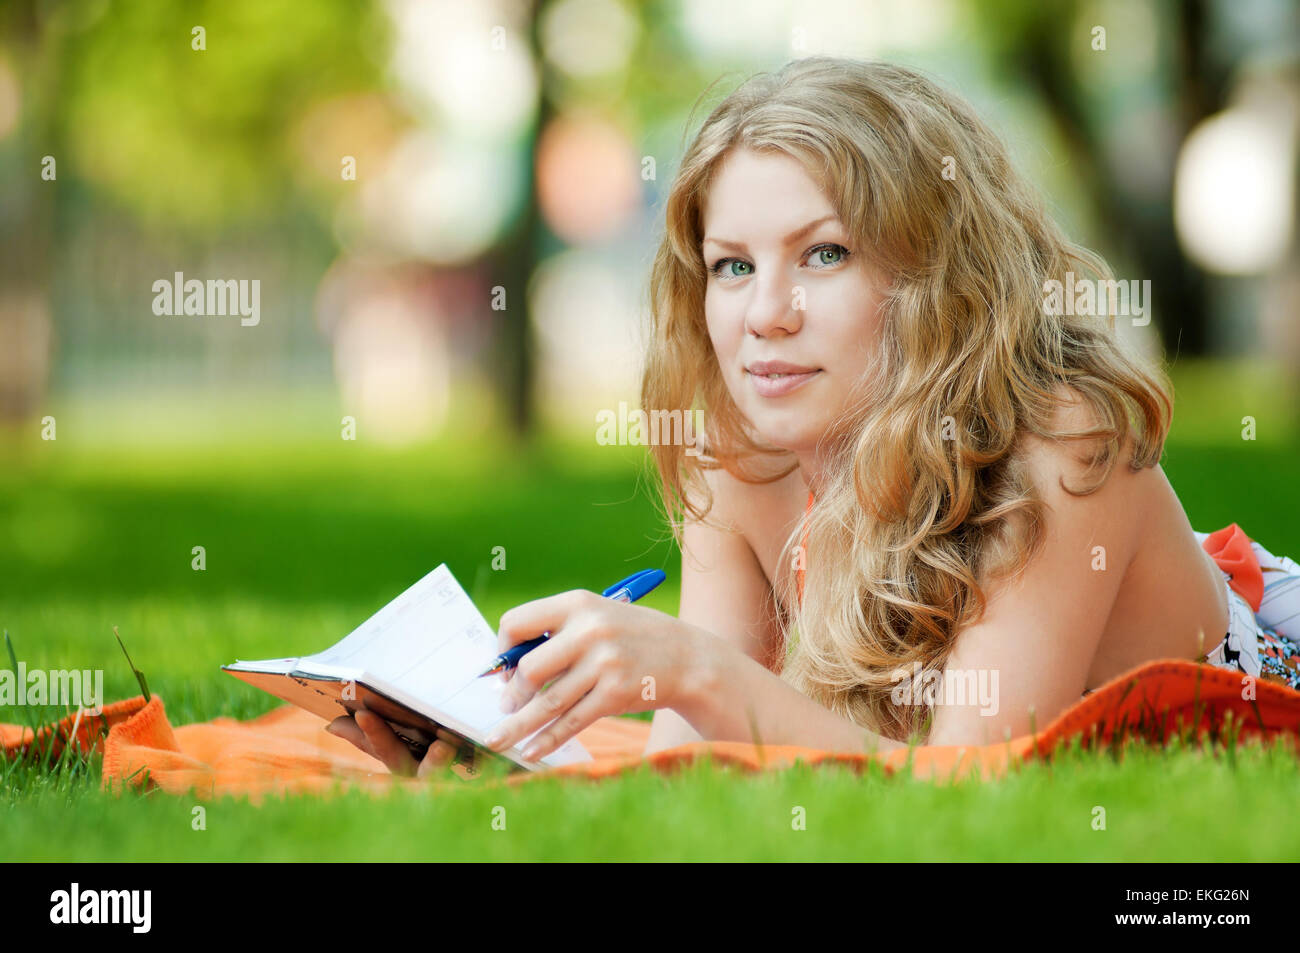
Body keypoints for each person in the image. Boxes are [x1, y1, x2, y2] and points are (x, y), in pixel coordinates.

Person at [332, 56, 1300, 778]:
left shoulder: (1062, 447)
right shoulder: (734, 451)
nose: (766, 313)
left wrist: (696, 671)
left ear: (936, 272)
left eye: (825, 254)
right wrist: (495, 767)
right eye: (733, 264)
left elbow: (972, 784)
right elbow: (696, 767)